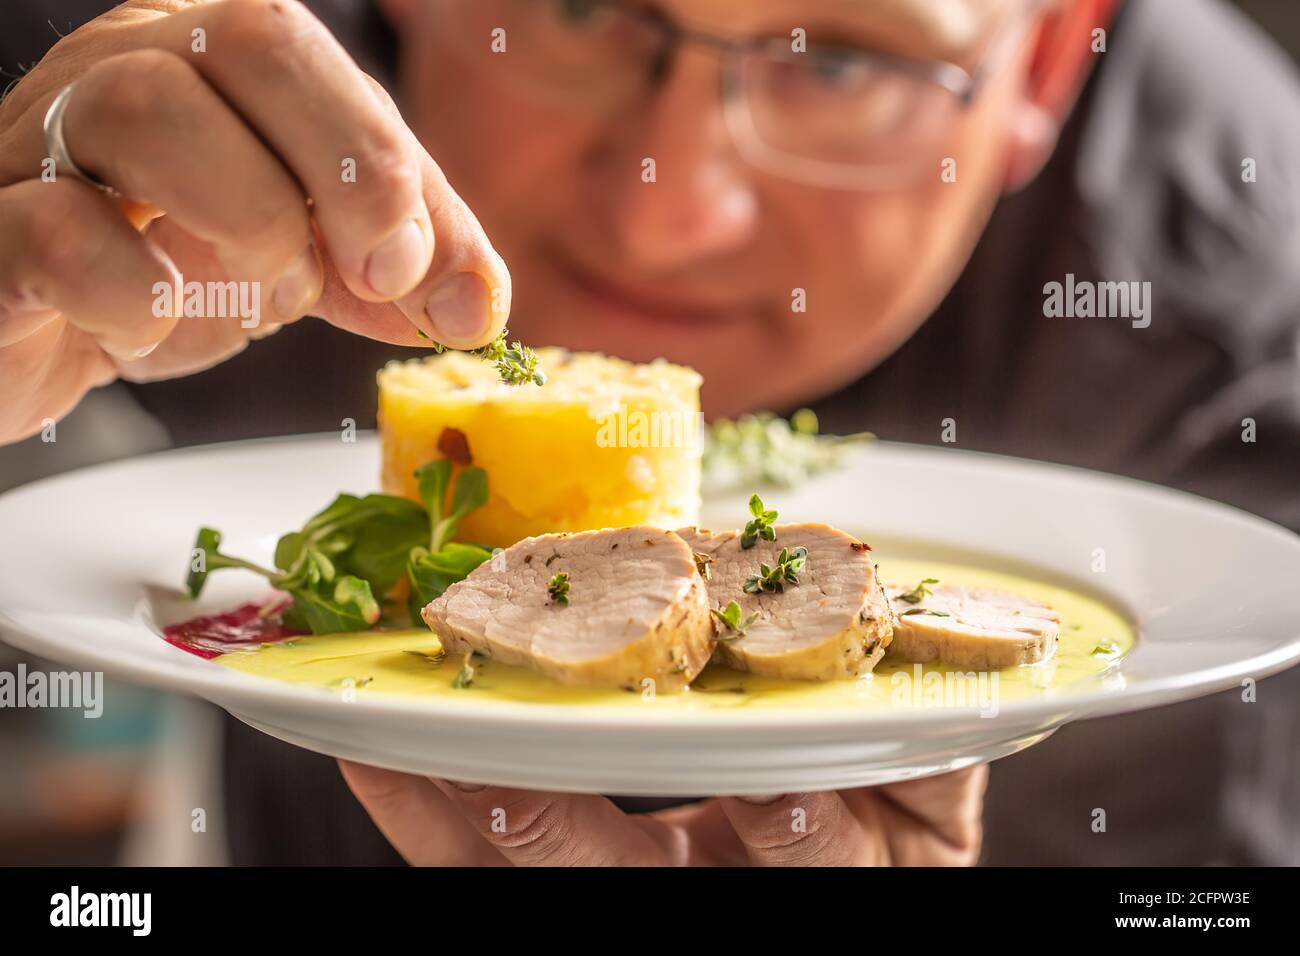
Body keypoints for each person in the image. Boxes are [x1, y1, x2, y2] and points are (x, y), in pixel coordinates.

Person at [0, 0, 1296, 865]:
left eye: (838, 61)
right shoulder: (176, 84)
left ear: (1053, 61)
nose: (664, 214)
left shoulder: (1231, 297)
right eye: (579, 3)